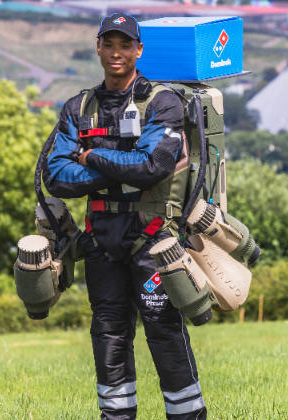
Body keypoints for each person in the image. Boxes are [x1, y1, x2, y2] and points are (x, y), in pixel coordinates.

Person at [41, 13, 206, 420]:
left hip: (153, 240)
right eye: (109, 44)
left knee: (163, 330)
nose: (117, 52)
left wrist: (90, 155)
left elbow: (153, 168)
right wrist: (122, 164)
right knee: (109, 334)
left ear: (139, 50)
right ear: (98, 48)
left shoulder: (161, 102)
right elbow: (55, 176)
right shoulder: (78, 108)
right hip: (99, 240)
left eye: (125, 45)